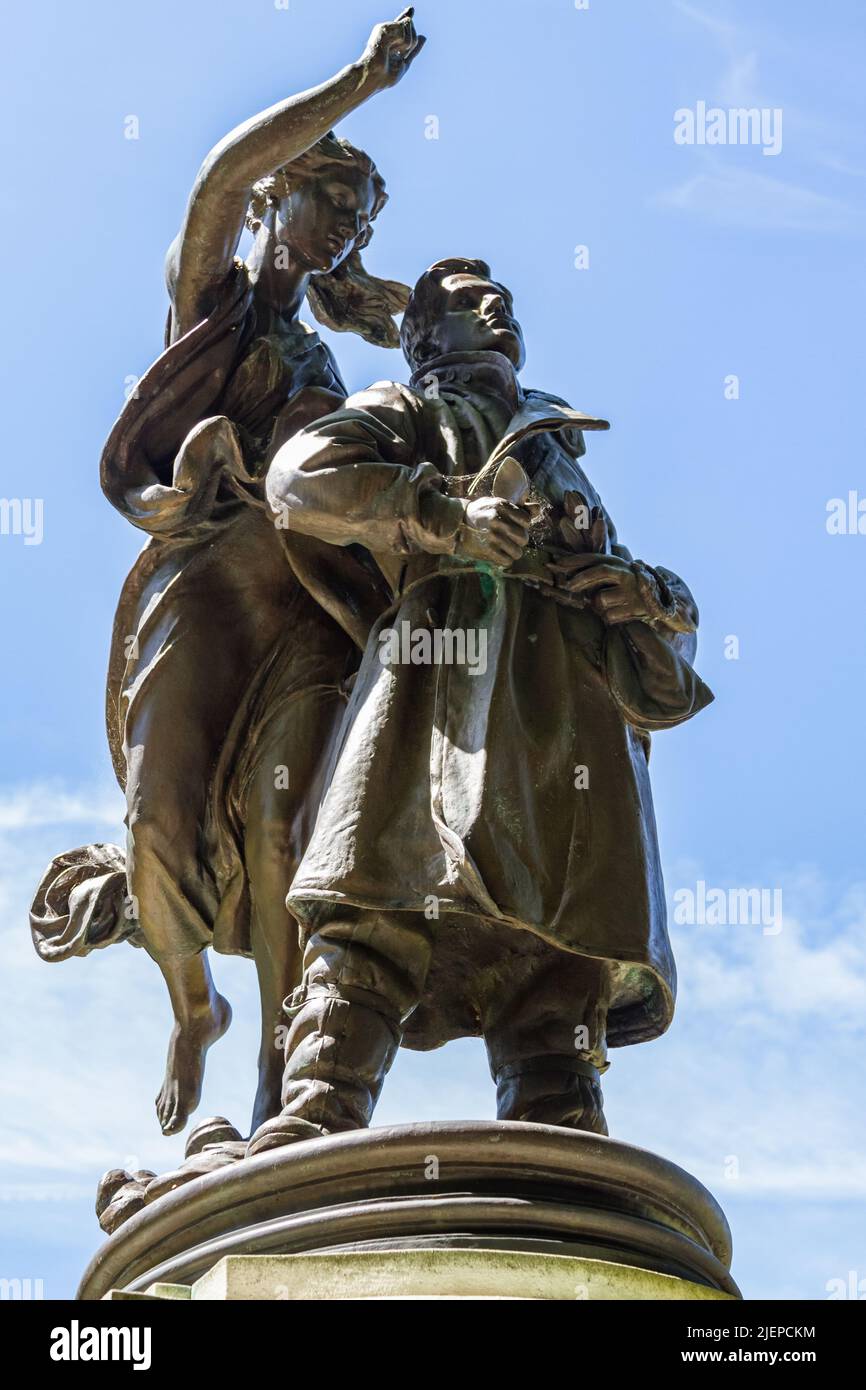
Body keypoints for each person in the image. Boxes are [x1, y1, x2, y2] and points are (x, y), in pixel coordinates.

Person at [29, 11, 426, 1137]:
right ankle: (192, 1005)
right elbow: (215, 176)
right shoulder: (214, 300)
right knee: (157, 827)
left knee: (290, 853)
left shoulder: (331, 371)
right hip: (200, 595)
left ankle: (281, 1101)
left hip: (306, 618)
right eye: (329, 200)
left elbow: (442, 363)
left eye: (357, 220)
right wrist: (355, 86)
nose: (343, 229)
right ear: (277, 199)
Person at [250, 256, 713, 1154]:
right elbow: (299, 479)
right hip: (443, 685)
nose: (496, 310)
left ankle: (561, 1147)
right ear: (426, 339)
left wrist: (642, 593)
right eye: (468, 305)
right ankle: (319, 1112)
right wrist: (444, 517)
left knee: (560, 952)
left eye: (502, 301)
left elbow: (666, 638)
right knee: (380, 898)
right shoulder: (413, 407)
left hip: (571, 718)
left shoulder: (557, 448)